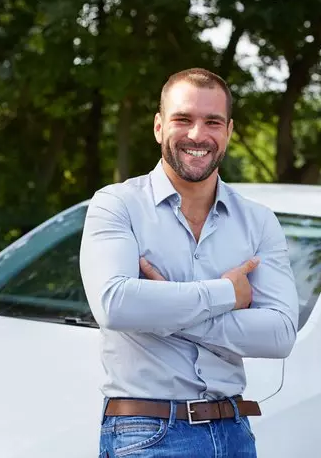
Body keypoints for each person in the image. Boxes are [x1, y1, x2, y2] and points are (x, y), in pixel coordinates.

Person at [79, 67, 299, 457]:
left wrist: (165, 309)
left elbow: (280, 333)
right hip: (145, 432)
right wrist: (225, 293)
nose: (198, 135)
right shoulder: (117, 204)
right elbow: (114, 305)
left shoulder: (259, 221)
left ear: (228, 132)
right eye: (183, 119)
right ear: (159, 126)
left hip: (234, 431)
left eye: (212, 121)